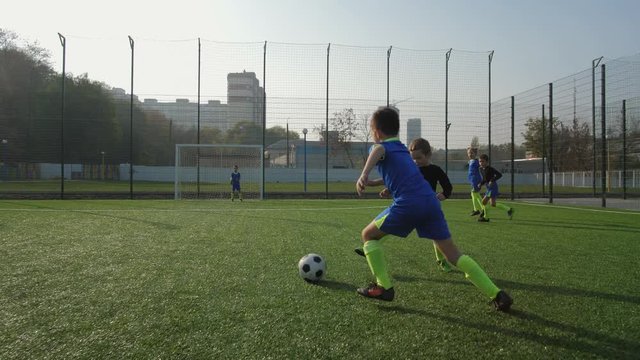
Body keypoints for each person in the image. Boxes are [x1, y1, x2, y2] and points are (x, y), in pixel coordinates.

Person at [354, 106, 512, 311]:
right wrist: (378, 185)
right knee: (453, 255)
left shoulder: (382, 147)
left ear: (376, 131)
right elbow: (396, 175)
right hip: (430, 203)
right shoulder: (402, 149)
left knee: (368, 235)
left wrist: (363, 174)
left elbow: (378, 150)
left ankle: (384, 287)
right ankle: (497, 294)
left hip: (409, 204)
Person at [477, 154, 514, 222]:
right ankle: (509, 209)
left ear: (487, 162)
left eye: (483, 161)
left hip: (493, 187)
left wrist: (492, 180)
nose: (481, 163)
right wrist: (481, 184)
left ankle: (486, 217)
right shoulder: (480, 169)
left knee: (483, 202)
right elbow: (485, 179)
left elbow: (499, 175)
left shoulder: (490, 169)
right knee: (492, 204)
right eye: (480, 161)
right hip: (488, 187)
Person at [467, 146, 485, 217]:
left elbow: (482, 168)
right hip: (472, 181)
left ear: (475, 154)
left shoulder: (477, 162)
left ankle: (481, 209)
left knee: (475, 194)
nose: (470, 154)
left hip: (476, 180)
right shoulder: (471, 161)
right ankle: (478, 209)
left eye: (472, 153)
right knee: (474, 194)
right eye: (469, 153)